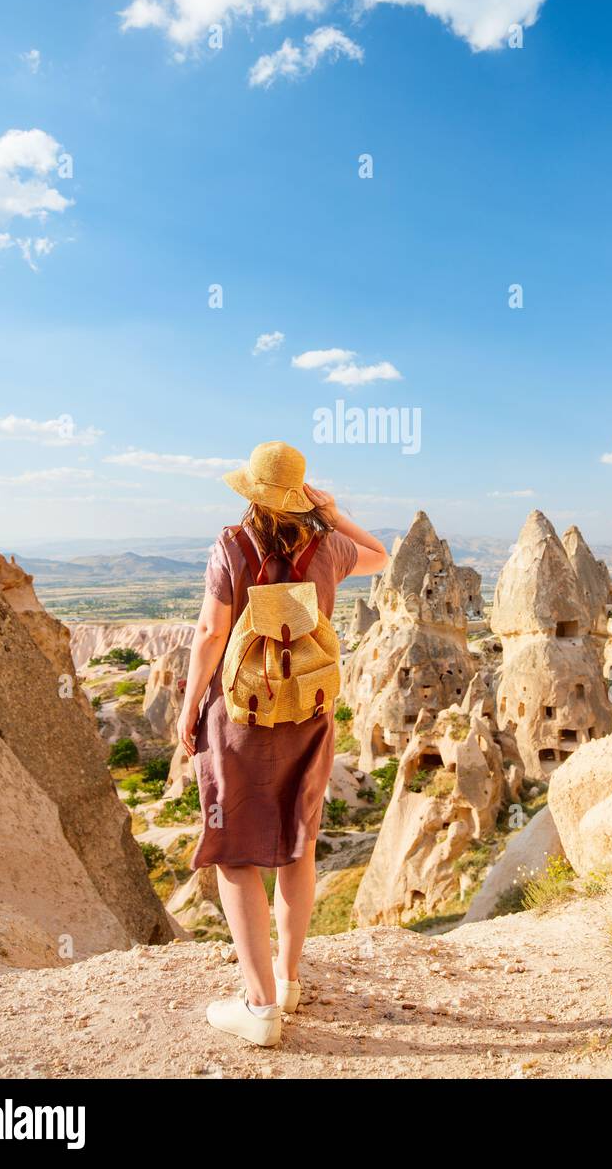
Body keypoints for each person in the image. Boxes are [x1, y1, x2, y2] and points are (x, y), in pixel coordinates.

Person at [176, 440, 388, 1047]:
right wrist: (332, 511)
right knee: (299, 843)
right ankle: (289, 982)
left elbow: (212, 631)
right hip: (309, 710)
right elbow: (380, 554)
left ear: (249, 492)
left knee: (236, 854)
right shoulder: (331, 546)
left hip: (243, 714)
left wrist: (192, 704)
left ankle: (260, 1005)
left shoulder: (233, 545)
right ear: (299, 495)